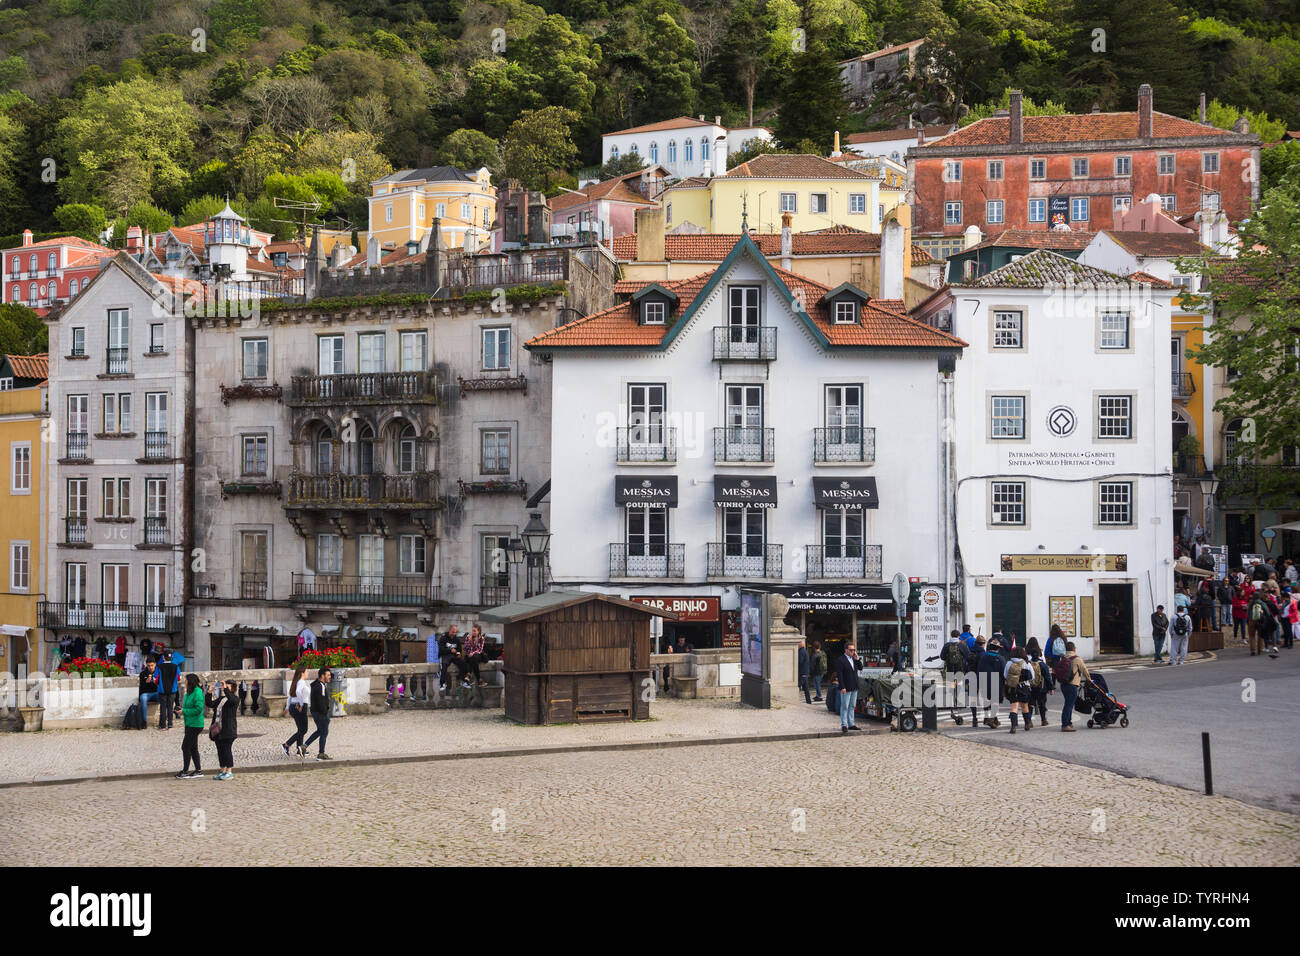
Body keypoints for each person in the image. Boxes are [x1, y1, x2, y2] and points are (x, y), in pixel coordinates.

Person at [206, 679, 239, 780]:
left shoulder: (235, 698)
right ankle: (222, 770)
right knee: (220, 750)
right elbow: (210, 704)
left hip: (228, 729)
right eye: (225, 685)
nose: (226, 686)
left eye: (228, 685)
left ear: (233, 687)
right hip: (218, 729)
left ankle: (229, 771)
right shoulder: (221, 698)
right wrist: (209, 692)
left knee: (226, 750)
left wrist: (225, 688)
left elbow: (231, 699)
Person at [176, 675, 206, 779]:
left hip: (195, 724)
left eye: (186, 680)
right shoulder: (190, 691)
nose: (185, 682)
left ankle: (185, 771)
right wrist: (182, 709)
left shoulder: (197, 693)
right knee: (193, 748)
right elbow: (189, 706)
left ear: (191, 682)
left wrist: (184, 711)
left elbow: (198, 709)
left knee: (185, 747)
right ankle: (198, 770)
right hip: (189, 723)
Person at [302, 667, 333, 760]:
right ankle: (321, 753)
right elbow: (320, 702)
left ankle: (304, 746)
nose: (330, 677)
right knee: (324, 732)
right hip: (320, 713)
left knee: (320, 731)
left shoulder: (318, 685)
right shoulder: (320, 686)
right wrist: (325, 714)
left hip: (316, 712)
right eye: (328, 675)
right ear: (322, 676)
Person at [1058, 642, 1089, 732]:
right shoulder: (1077, 659)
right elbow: (1085, 670)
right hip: (1072, 685)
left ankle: (1069, 723)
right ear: (1074, 649)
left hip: (1063, 684)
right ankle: (1065, 725)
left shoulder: (1063, 658)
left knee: (1068, 704)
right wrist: (1089, 679)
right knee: (1068, 705)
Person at [975, 638, 1005, 728]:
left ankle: (990, 718)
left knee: (987, 700)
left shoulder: (984, 657)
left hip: (984, 680)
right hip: (997, 681)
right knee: (995, 701)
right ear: (998, 648)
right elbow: (1004, 672)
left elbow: (979, 670)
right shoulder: (1000, 658)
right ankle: (992, 719)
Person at [1002, 648, 1034, 734]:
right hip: (1024, 687)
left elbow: (1005, 675)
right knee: (1024, 706)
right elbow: (1032, 677)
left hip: (1013, 687)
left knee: (1014, 707)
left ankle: (1013, 726)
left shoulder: (1009, 663)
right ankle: (1027, 724)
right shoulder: (1026, 664)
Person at [282, 665, 310, 757]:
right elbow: (298, 692)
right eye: (306, 671)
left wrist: (287, 707)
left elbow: (290, 696)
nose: (307, 673)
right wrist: (301, 704)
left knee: (300, 729)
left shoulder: (296, 682)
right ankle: (286, 744)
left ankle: (299, 750)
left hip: (293, 706)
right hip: (299, 706)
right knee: (304, 729)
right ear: (302, 673)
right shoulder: (301, 682)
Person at [1025, 638, 1054, 728]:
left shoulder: (1028, 664)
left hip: (1031, 687)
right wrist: (1051, 688)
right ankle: (1043, 720)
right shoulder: (1042, 664)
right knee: (1042, 704)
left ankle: (1029, 721)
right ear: (1038, 654)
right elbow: (1048, 677)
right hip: (1041, 687)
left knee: (1031, 704)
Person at [834, 644, 860, 733]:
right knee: (845, 706)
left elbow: (860, 668)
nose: (853, 652)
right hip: (846, 686)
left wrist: (857, 659)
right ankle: (844, 724)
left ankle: (851, 723)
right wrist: (842, 687)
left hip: (854, 686)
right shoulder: (840, 660)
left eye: (854, 650)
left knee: (852, 706)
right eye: (851, 650)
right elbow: (840, 675)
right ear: (846, 650)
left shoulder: (854, 659)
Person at [156, 651, 179, 730]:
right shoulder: (176, 666)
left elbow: (156, 679)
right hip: (172, 690)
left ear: (163, 657)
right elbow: (179, 678)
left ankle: (162, 725)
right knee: (170, 707)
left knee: (163, 708)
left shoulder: (159, 666)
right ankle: (170, 724)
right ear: (171, 658)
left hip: (162, 690)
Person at [137, 656, 159, 730]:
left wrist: (153, 682)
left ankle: (163, 721)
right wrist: (146, 683)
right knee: (143, 698)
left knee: (164, 696)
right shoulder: (143, 674)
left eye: (152, 665)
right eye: (149, 665)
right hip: (147, 694)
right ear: (146, 665)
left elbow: (160, 686)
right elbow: (141, 688)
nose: (150, 667)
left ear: (155, 664)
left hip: (156, 693)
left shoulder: (159, 672)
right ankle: (144, 721)